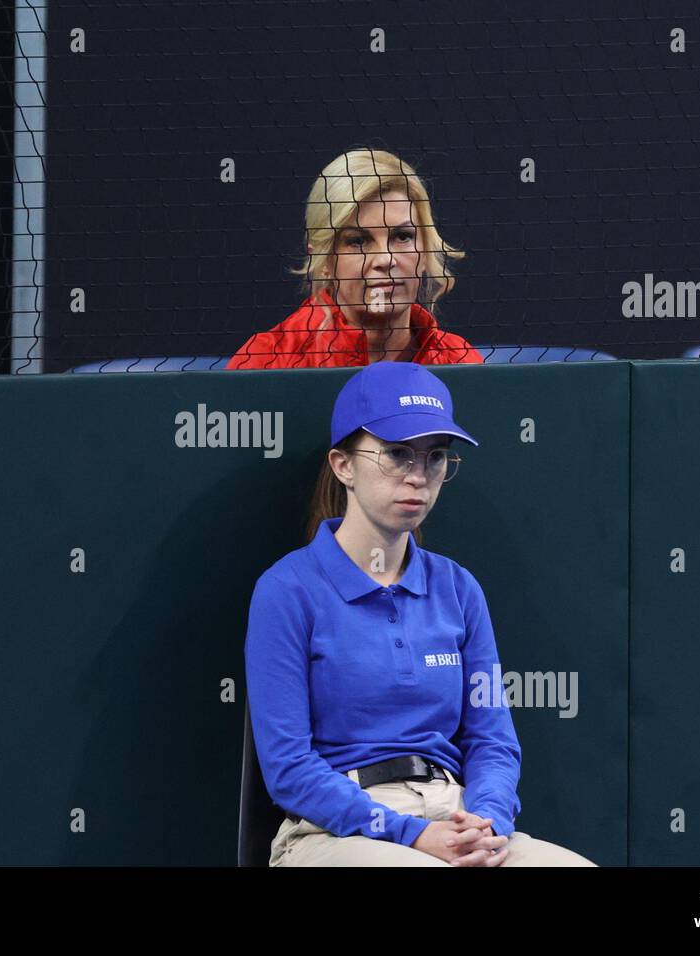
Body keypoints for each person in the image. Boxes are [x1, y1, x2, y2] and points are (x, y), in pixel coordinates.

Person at [243, 361, 595, 866]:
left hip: (456, 815)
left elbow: (493, 740)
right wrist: (411, 835)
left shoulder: (459, 588)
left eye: (434, 458)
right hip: (336, 831)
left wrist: (488, 822)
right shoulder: (287, 590)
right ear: (344, 465)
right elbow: (289, 768)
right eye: (396, 454)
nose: (418, 476)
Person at [227, 148, 483, 370]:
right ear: (324, 260)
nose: (385, 259)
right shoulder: (265, 361)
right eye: (358, 241)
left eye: (403, 236)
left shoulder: (460, 361)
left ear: (425, 252)